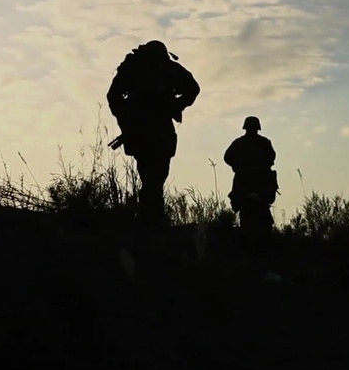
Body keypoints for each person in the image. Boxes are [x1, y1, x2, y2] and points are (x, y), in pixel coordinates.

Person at [106, 40, 200, 227]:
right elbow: (193, 89)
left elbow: (113, 97)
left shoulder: (134, 68)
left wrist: (127, 120)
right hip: (155, 130)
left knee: (150, 177)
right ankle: (153, 220)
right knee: (155, 178)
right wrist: (174, 105)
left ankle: (150, 218)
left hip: (142, 131)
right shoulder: (166, 68)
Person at [223, 116, 277, 233]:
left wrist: (238, 166)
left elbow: (227, 157)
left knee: (256, 210)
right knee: (254, 210)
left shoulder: (240, 143)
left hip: (251, 182)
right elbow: (271, 158)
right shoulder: (264, 142)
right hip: (253, 182)